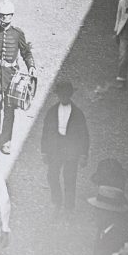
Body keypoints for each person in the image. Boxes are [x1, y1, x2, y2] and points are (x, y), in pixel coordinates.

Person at [0, 1, 35, 153]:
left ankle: (6, 141)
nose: (4, 18)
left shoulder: (18, 34)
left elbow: (26, 52)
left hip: (12, 77)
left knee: (9, 110)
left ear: (12, 16)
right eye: (2, 15)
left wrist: (31, 66)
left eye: (7, 15)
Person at [40, 79, 90, 211]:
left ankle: (69, 208)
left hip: (71, 150)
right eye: (61, 95)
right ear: (58, 96)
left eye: (66, 95)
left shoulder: (78, 114)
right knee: (52, 175)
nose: (63, 98)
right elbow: (46, 132)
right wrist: (44, 151)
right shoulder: (52, 112)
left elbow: (84, 134)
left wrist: (84, 154)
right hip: (55, 149)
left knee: (70, 179)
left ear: (70, 95)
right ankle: (57, 202)